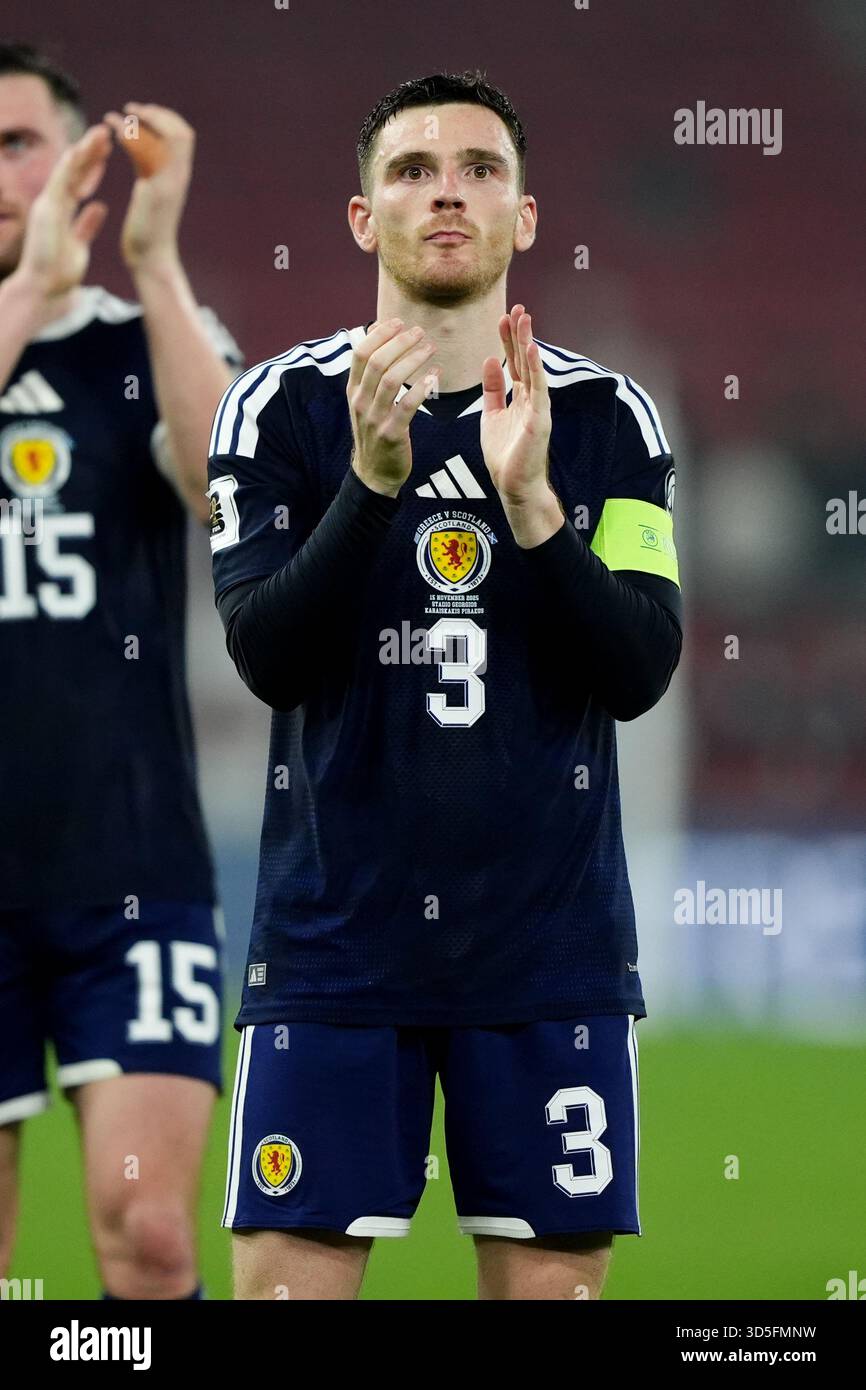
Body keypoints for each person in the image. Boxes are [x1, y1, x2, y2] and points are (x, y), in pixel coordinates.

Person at [208, 69, 682, 1301]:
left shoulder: (605, 419)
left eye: (479, 170)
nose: (447, 194)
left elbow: (640, 669)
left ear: (524, 216)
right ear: (362, 218)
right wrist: (370, 483)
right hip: (332, 955)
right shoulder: (277, 409)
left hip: (548, 960)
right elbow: (265, 657)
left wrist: (533, 509)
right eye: (412, 172)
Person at [0, 43, 242, 1299]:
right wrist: (24, 296)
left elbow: (222, 492)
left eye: (18, 144)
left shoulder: (141, 340)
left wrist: (151, 263)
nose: (0, 174)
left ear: (80, 162)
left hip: (131, 871)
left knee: (148, 1238)